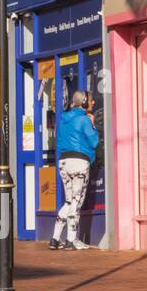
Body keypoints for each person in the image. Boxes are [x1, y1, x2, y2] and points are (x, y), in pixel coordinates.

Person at [50, 90, 99, 251]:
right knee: (76, 202)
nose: (92, 103)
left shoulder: (63, 119)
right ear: (84, 102)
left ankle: (55, 238)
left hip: (64, 161)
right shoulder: (84, 120)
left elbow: (58, 142)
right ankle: (71, 240)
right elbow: (94, 142)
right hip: (79, 162)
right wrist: (93, 124)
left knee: (69, 200)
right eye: (90, 101)